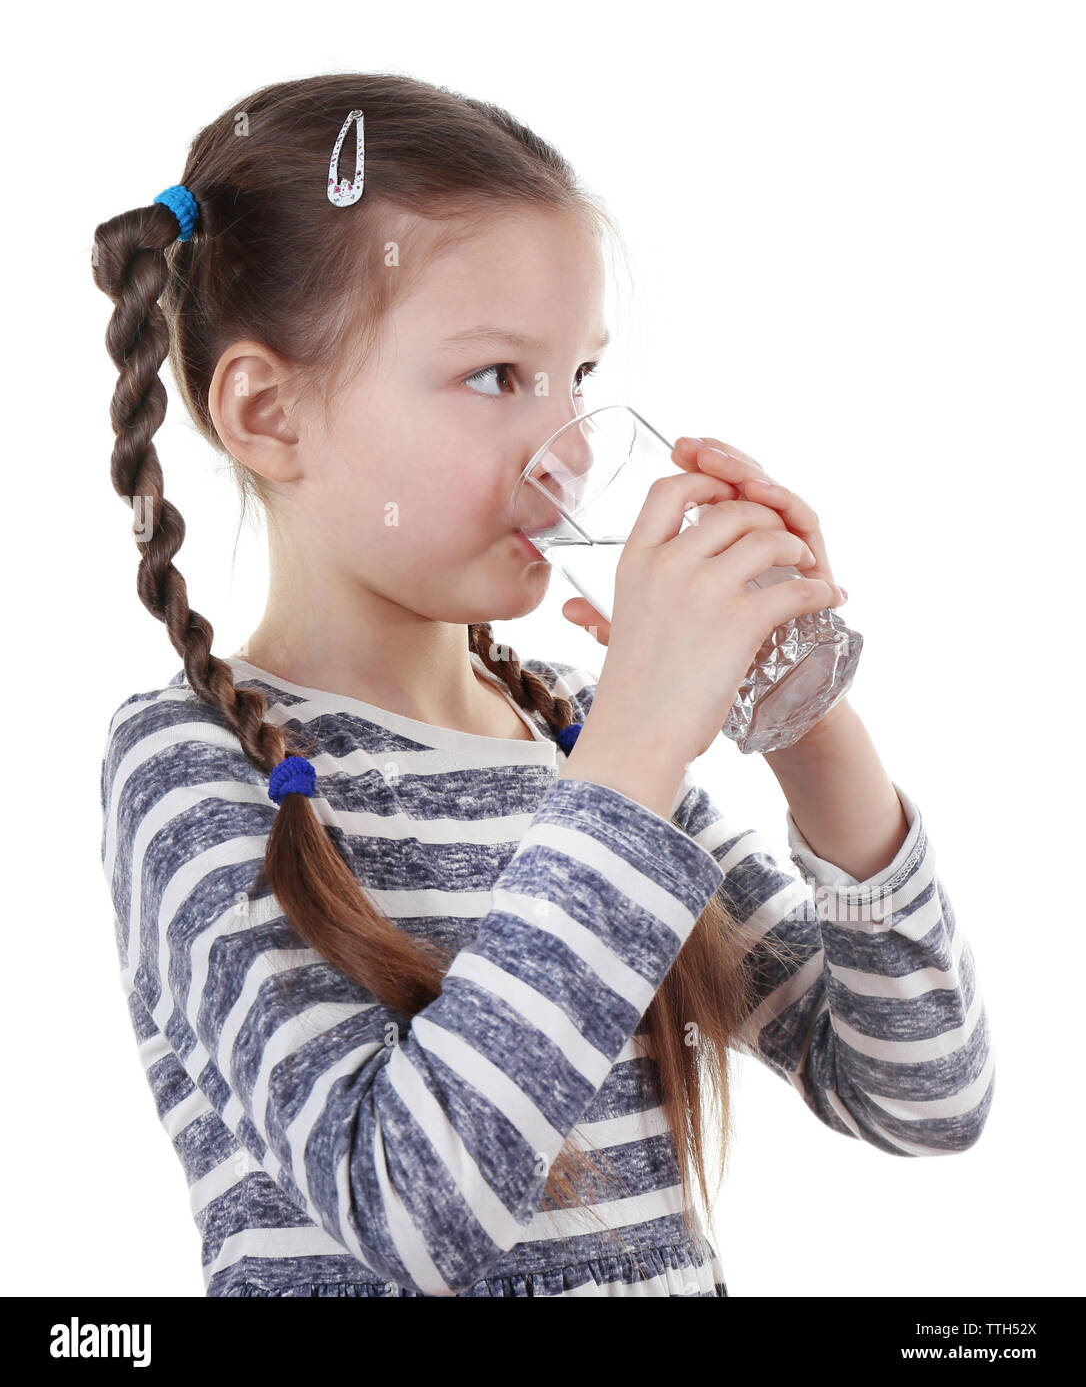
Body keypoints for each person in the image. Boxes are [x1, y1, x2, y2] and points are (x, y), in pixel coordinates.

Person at [94, 72, 994, 1299]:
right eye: (495, 378)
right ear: (268, 413)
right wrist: (638, 745)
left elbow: (924, 1094)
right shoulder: (193, 763)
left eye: (579, 376)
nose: (568, 443)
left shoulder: (576, 732)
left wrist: (798, 711)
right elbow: (411, 1213)